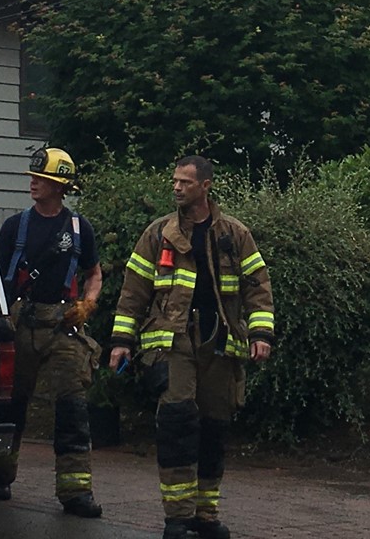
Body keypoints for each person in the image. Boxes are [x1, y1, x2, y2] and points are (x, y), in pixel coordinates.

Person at [108, 155, 274, 539]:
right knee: (177, 421)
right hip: (173, 341)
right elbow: (133, 292)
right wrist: (121, 341)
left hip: (220, 342)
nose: (177, 187)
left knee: (216, 426)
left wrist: (260, 334)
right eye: (174, 181)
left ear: (205, 186)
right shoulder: (158, 234)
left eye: (185, 182)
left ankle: (205, 514)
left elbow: (258, 287)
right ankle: (178, 518)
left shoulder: (234, 234)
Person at [0, 146, 105, 517]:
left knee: (72, 408)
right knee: (12, 405)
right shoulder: (14, 226)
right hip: (20, 324)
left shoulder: (79, 229)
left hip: (63, 327)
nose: (33, 183)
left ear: (59, 186)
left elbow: (94, 273)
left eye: (43, 179)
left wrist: (88, 302)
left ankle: (75, 493)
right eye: (34, 178)